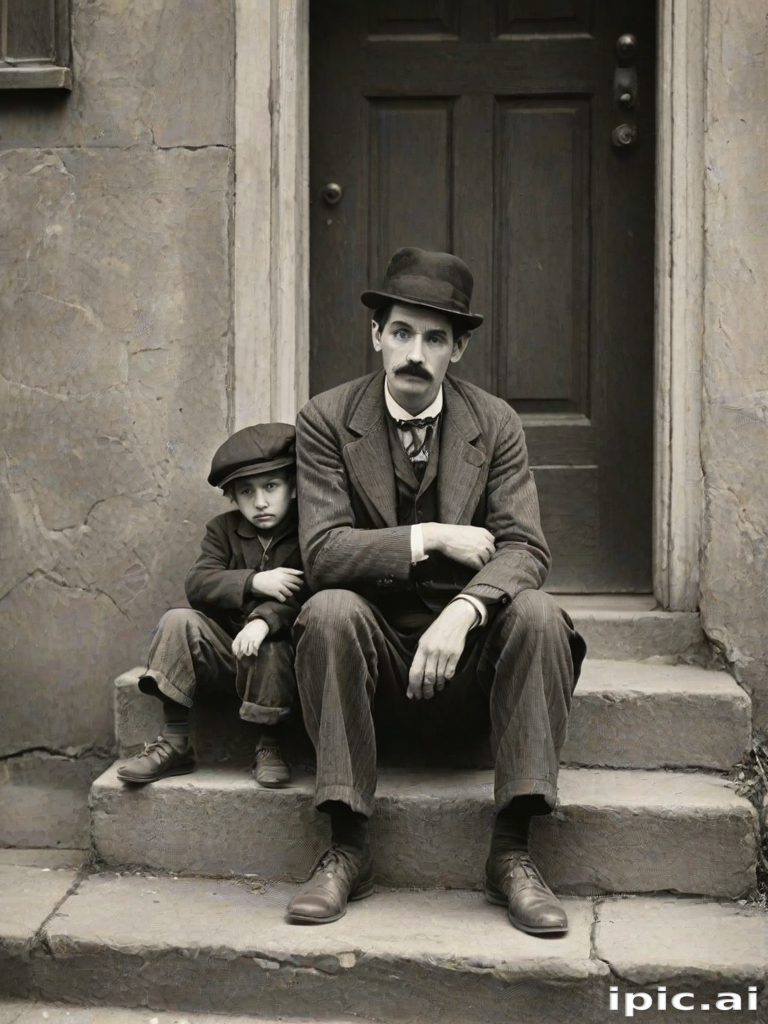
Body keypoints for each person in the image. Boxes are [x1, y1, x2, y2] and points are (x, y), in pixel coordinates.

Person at [286, 247, 586, 933]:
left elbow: (526, 548)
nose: (414, 354)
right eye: (401, 333)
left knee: (539, 615)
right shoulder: (327, 421)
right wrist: (433, 537)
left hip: (472, 673)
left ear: (459, 349)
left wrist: (466, 606)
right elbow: (325, 554)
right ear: (376, 336)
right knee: (327, 611)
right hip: (376, 670)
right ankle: (347, 847)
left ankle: (512, 853)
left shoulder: (496, 423)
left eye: (434, 338)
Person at [117, 423, 306, 788]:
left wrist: (265, 620)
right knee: (178, 620)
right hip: (227, 652)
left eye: (271, 486)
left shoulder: (306, 532)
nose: (261, 502)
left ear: (293, 487)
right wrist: (254, 580)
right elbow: (199, 582)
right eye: (246, 492)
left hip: (283, 658)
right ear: (233, 497)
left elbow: (310, 593)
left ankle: (270, 745)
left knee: (272, 646)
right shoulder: (223, 530)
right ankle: (174, 742)